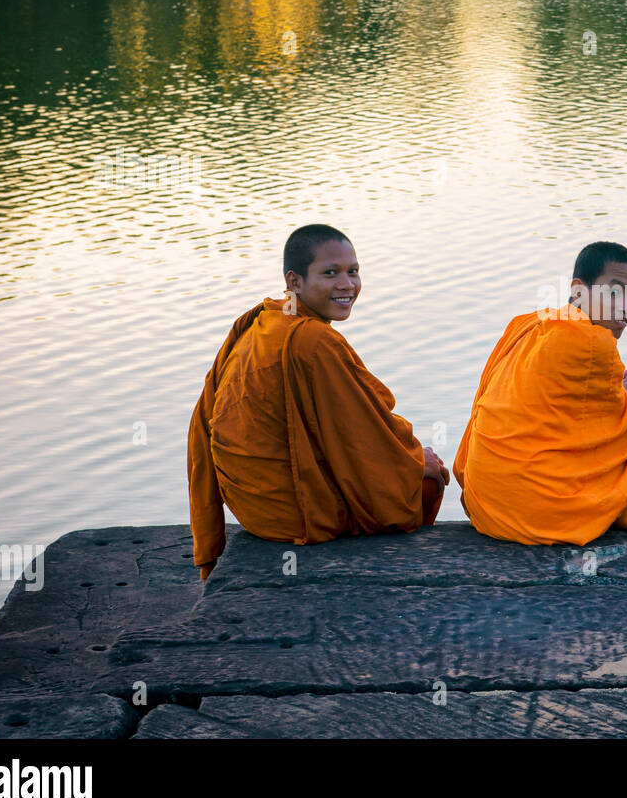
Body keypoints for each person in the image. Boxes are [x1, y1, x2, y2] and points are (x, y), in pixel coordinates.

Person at [187, 224, 448, 580]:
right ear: (294, 282)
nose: (347, 285)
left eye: (353, 271)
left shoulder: (260, 321)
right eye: (330, 273)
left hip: (252, 509)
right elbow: (366, 438)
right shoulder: (313, 341)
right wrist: (417, 463)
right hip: (294, 516)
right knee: (425, 481)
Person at [453, 241, 627, 545]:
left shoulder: (526, 324)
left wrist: (613, 396)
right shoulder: (594, 344)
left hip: (487, 504)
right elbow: (615, 436)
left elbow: (565, 423)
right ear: (579, 290)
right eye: (615, 292)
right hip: (535, 515)